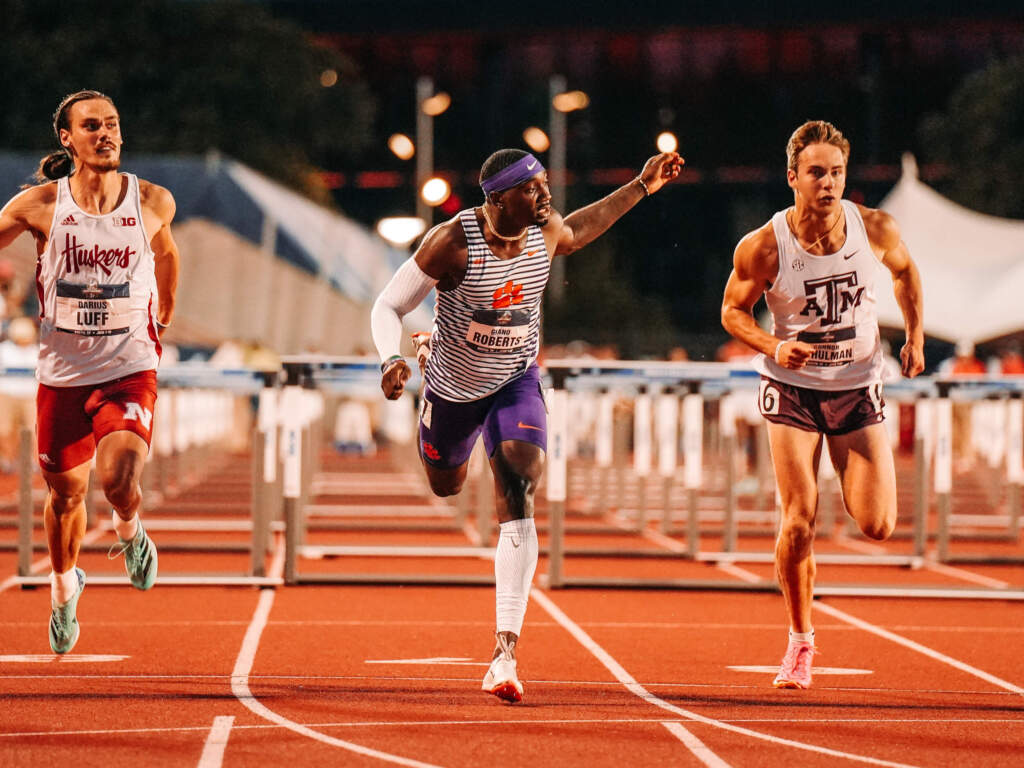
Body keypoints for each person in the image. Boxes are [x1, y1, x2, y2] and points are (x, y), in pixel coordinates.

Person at [372, 147, 682, 702]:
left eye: (544, 184)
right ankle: (427, 357)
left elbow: (581, 229)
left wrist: (641, 185)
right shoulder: (453, 243)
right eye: (532, 189)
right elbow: (387, 306)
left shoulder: (544, 232)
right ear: (496, 200)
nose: (545, 196)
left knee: (520, 479)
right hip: (453, 389)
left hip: (516, 378)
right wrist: (388, 357)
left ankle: (504, 653)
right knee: (446, 484)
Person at [721, 120, 924, 689]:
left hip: (857, 387)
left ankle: (847, 468)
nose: (828, 183)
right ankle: (800, 641)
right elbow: (732, 312)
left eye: (836, 172)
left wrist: (915, 337)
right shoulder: (764, 244)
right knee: (799, 520)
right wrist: (773, 344)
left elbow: (907, 274)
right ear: (793, 177)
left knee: (879, 524)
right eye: (816, 173)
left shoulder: (875, 227)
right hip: (793, 391)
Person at [0, 90, 179, 654]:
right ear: (67, 139)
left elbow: (167, 252)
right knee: (66, 498)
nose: (107, 134)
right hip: (62, 374)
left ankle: (129, 529)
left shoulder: (150, 200)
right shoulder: (39, 206)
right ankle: (63, 589)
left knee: (119, 480)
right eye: (93, 126)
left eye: (114, 124)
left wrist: (166, 310)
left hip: (129, 367)